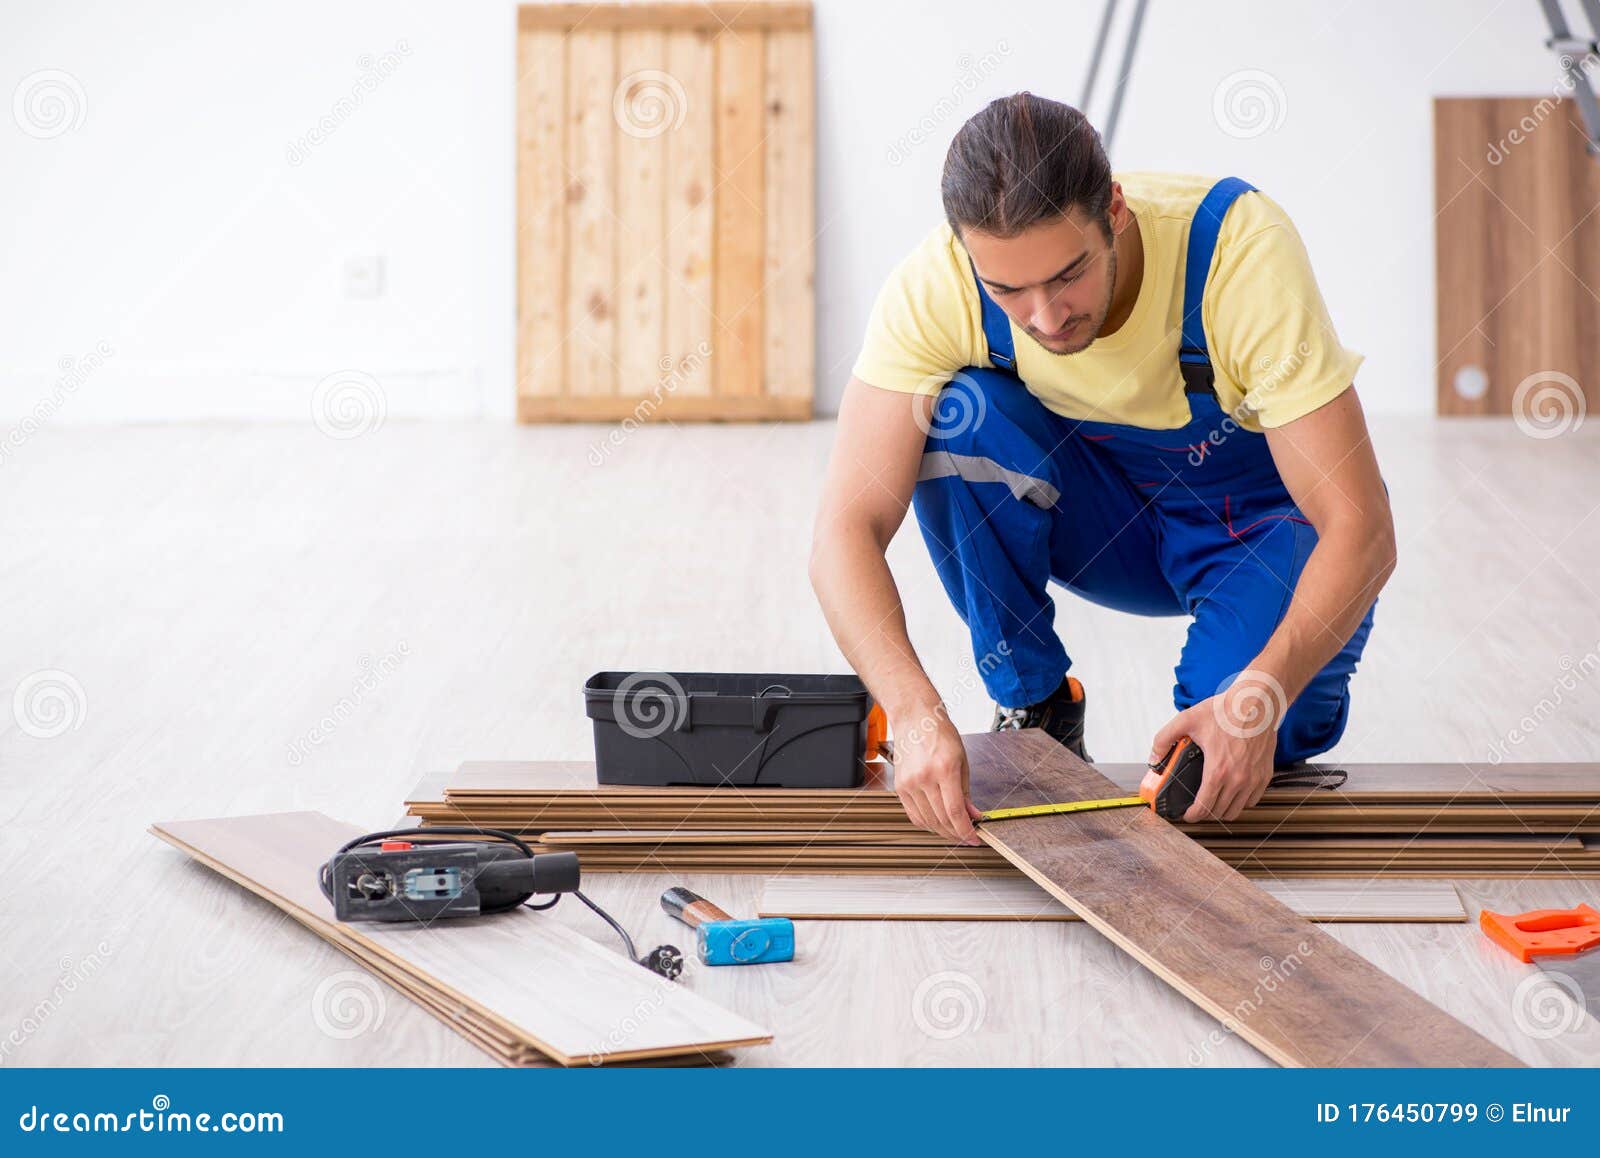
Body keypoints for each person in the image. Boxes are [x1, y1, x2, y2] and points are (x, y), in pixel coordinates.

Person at [809, 93, 1394, 845]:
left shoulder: (1235, 252)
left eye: (1069, 274)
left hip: (1259, 528)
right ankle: (1038, 702)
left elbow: (1362, 526)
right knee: (959, 419)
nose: (1046, 316)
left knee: (1215, 762)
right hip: (1110, 522)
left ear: (1114, 210)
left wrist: (1261, 694)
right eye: (1007, 291)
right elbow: (842, 532)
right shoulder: (937, 284)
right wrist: (916, 713)